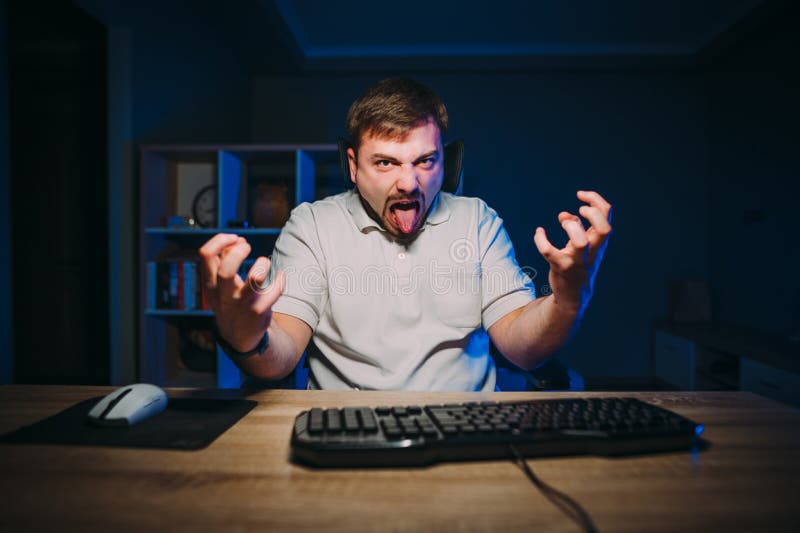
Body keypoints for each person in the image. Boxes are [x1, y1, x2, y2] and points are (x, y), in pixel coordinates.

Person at [199, 78, 612, 391]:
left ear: (444, 161)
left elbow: (521, 347)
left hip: (467, 432)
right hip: (346, 433)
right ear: (353, 165)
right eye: (385, 163)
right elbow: (281, 355)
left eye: (425, 161)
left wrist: (568, 300)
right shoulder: (312, 226)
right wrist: (246, 333)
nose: (409, 183)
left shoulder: (477, 221)